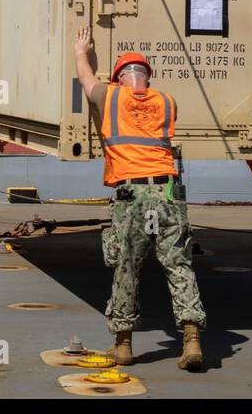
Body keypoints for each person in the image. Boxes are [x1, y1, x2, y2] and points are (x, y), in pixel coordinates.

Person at [74, 26, 206, 371]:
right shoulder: (167, 102)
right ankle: (191, 340)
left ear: (120, 78)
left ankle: (124, 344)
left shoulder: (110, 96)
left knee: (128, 267)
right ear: (147, 76)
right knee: (178, 264)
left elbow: (86, 80)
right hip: (166, 192)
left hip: (132, 195)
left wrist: (81, 51)